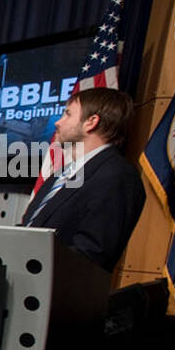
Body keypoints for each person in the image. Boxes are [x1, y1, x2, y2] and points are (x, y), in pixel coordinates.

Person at [19, 88, 145, 271]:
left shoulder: (118, 175)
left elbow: (92, 253)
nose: (58, 123)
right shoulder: (60, 175)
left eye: (67, 114)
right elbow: (30, 230)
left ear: (91, 122)